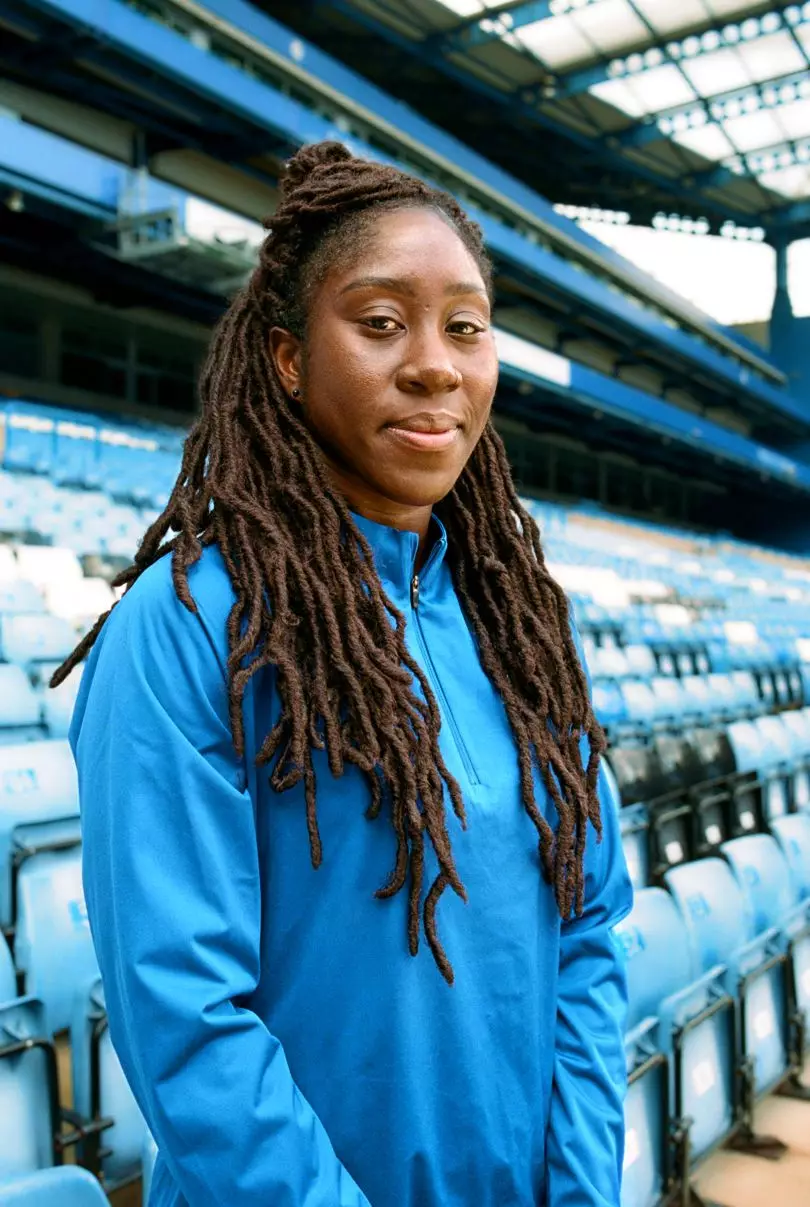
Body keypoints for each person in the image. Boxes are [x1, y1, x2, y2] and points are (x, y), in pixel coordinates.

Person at [56, 141, 633, 1207]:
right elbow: (187, 1015)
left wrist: (582, 1188)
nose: (434, 364)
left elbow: (589, 931)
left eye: (466, 326)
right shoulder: (187, 628)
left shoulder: (528, 634)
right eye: (380, 324)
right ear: (285, 358)